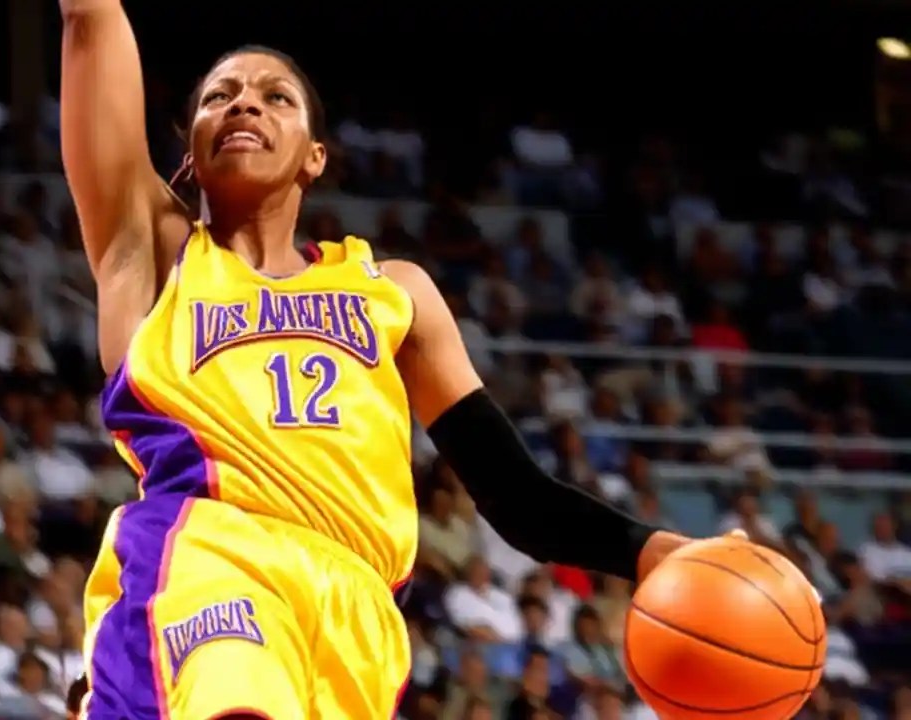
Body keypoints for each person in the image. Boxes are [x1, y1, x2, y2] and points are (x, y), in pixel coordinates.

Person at [58, 2, 700, 718]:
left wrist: (650, 551)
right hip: (207, 558)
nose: (244, 102)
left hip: (358, 614)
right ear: (193, 151)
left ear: (314, 156)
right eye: (219, 96)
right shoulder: (151, 249)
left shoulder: (393, 291)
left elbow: (515, 494)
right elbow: (90, 20)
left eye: (276, 97)